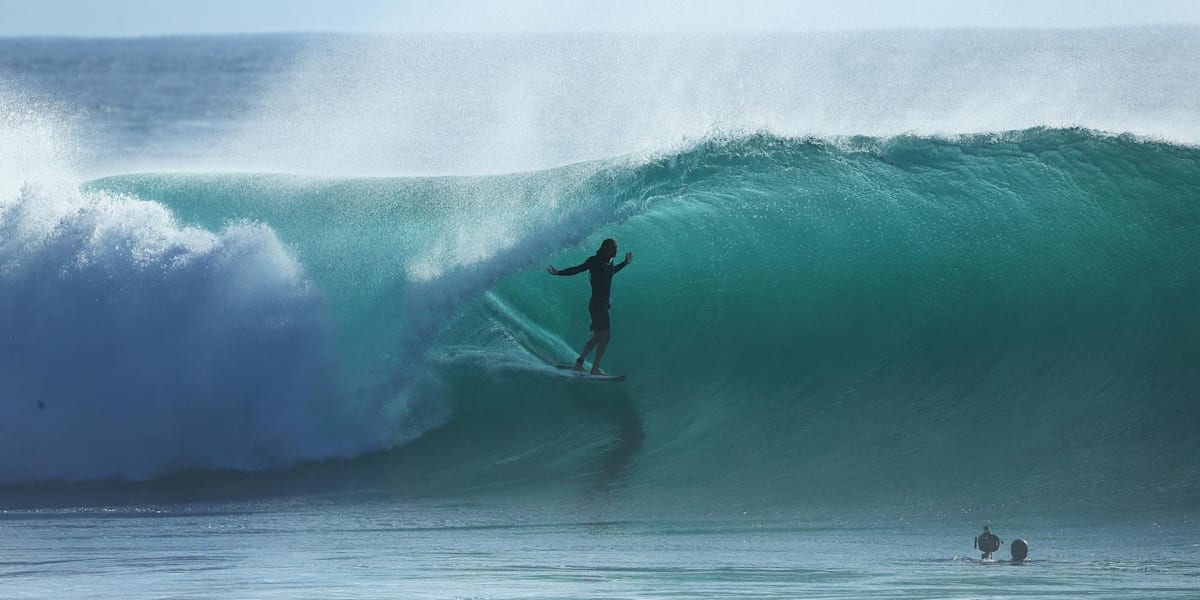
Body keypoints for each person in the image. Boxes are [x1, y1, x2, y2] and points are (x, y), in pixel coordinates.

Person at [547, 238, 633, 375]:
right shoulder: (594, 261)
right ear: (605, 249)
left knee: (598, 337)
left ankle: (578, 364)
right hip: (597, 305)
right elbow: (577, 269)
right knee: (606, 336)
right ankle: (595, 368)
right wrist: (558, 273)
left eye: (616, 248)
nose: (616, 250)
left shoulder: (610, 262)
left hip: (603, 305)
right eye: (613, 248)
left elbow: (610, 273)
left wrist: (625, 263)